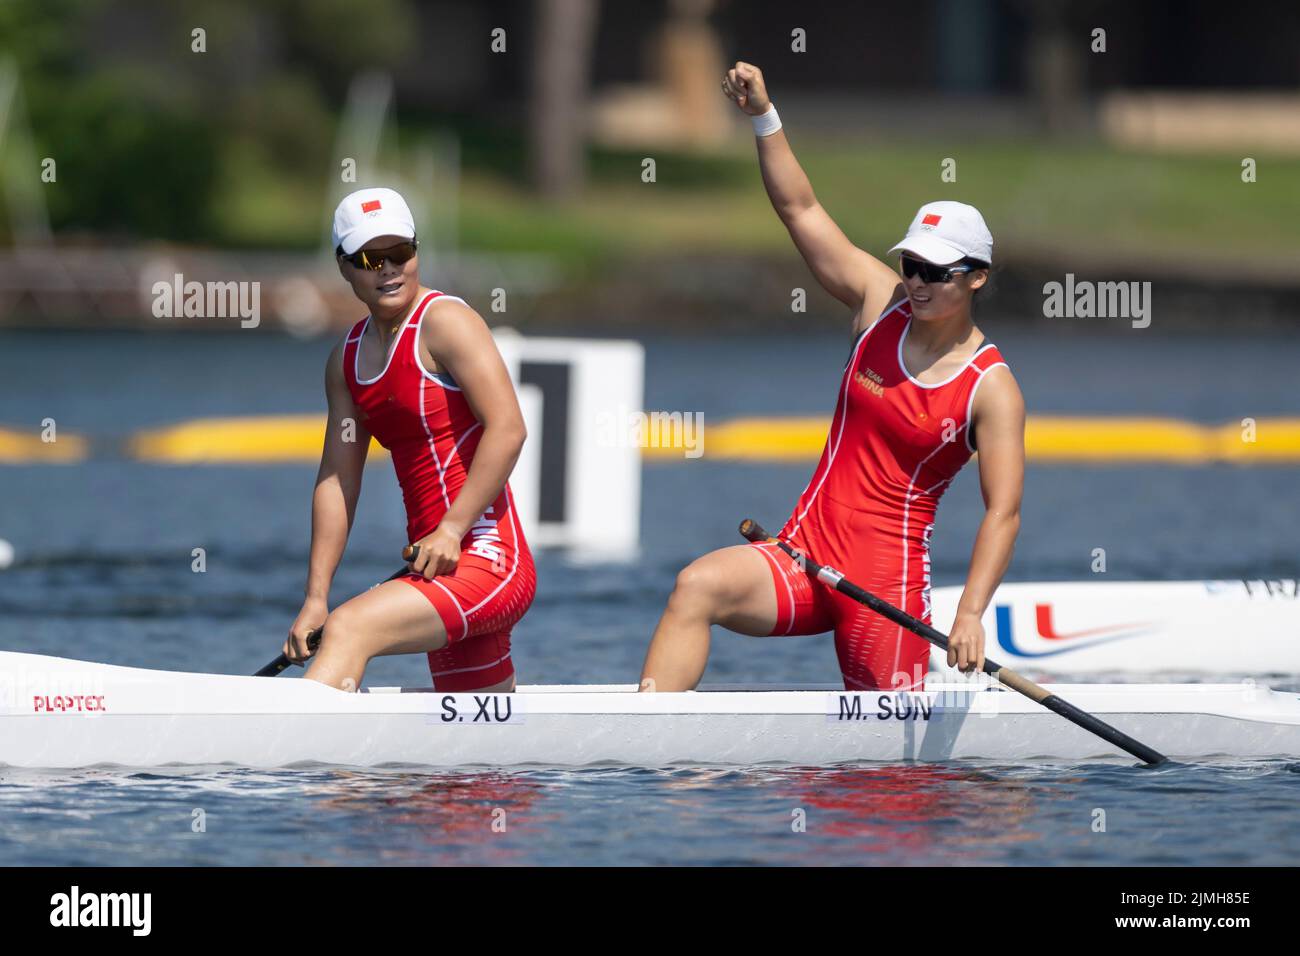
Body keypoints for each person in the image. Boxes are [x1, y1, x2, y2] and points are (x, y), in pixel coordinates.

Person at [640, 63, 1025, 692]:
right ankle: (648, 755)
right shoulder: (879, 302)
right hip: (802, 555)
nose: (918, 282)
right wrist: (765, 116)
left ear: (976, 277)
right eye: (911, 265)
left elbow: (1002, 512)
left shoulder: (991, 386)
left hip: (885, 582)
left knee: (886, 790)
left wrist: (972, 613)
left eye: (937, 272)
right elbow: (800, 209)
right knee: (697, 586)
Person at [283, 187, 535, 692]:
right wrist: (316, 597)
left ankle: (304, 771)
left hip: (488, 559)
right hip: (432, 568)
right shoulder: (346, 360)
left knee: (350, 629)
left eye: (401, 253)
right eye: (371, 258)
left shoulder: (447, 323)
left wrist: (450, 530)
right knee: (475, 760)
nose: (390, 269)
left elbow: (509, 428)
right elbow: (338, 479)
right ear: (344, 268)